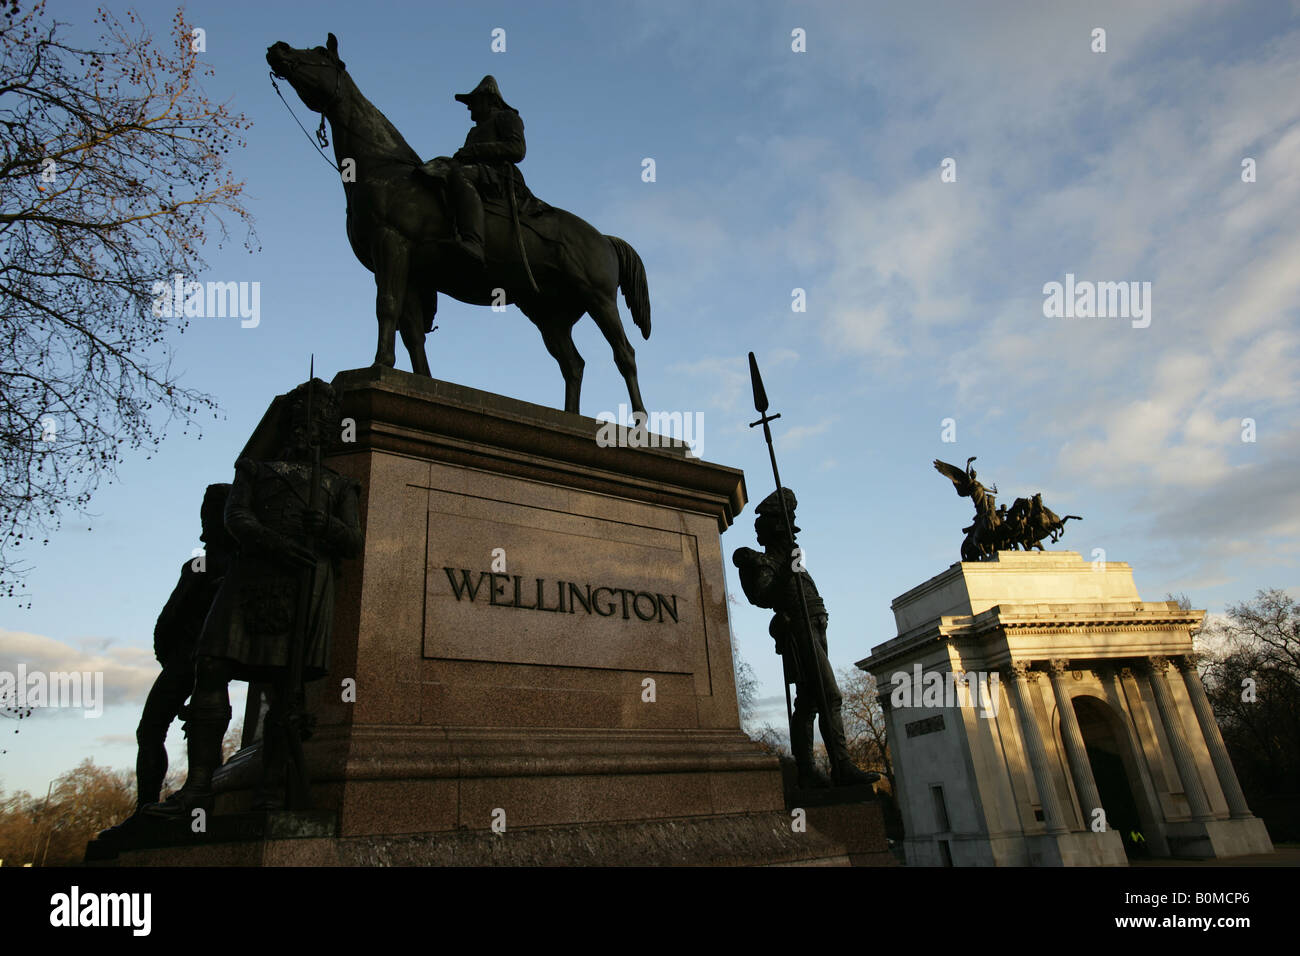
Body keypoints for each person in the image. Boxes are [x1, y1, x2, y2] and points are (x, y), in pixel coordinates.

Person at [147, 379, 362, 818]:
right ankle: (200, 789)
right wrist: (271, 542)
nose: (308, 431)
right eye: (301, 422)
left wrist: (324, 526)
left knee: (288, 688)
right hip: (251, 577)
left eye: (317, 424)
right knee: (210, 667)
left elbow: (353, 540)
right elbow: (235, 517)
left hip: (305, 585)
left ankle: (270, 792)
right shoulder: (254, 471)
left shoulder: (340, 486)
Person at [732, 488, 879, 789]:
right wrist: (767, 567)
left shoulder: (791, 558)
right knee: (829, 696)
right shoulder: (771, 561)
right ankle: (840, 766)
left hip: (815, 626)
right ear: (775, 529)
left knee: (810, 700)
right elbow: (761, 596)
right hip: (800, 629)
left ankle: (809, 771)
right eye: (787, 526)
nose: (793, 533)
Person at [430, 75, 528, 266]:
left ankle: (474, 241)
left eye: (473, 102)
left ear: (489, 99)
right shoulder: (473, 132)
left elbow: (517, 149)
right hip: (478, 172)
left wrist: (475, 151)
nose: (469, 107)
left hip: (497, 175)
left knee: (460, 175)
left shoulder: (507, 117)